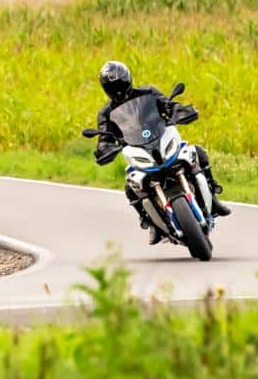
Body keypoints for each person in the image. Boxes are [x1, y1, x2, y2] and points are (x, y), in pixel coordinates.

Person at [96, 60, 230, 243]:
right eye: (113, 87)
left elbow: (167, 104)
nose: (118, 90)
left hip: (161, 139)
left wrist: (178, 111)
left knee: (197, 152)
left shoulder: (148, 92)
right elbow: (104, 137)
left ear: (128, 80)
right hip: (137, 150)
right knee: (131, 186)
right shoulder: (106, 113)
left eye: (120, 84)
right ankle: (151, 224)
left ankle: (213, 199)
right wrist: (105, 147)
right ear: (106, 89)